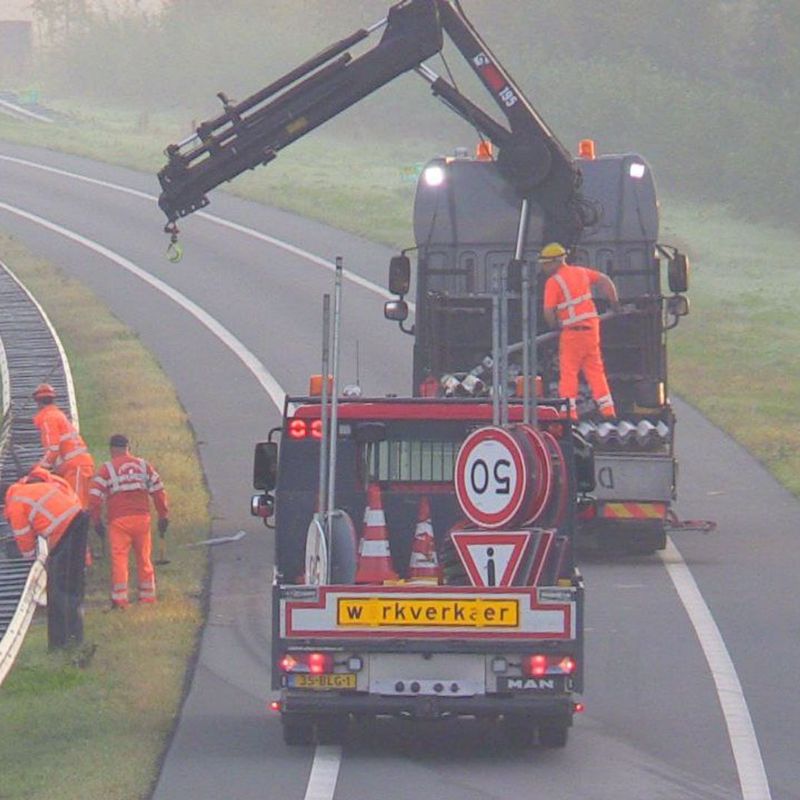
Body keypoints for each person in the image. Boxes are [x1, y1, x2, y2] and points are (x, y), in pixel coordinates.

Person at [4, 467, 89, 649]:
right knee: (71, 585)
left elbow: (23, 536)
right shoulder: (31, 487)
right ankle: (71, 639)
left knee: (60, 589)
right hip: (76, 519)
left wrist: (29, 559)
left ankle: (65, 643)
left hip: (65, 530)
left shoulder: (15, 501)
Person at [89, 434, 169, 608]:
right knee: (144, 557)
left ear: (111, 450)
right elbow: (159, 491)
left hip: (119, 521)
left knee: (119, 559)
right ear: (128, 448)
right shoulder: (143, 466)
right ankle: (147, 597)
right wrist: (163, 516)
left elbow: (94, 499)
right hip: (142, 519)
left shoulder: (106, 469)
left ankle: (120, 599)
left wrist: (96, 522)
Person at [540, 242, 619, 419]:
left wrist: (554, 326)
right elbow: (605, 280)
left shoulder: (553, 282)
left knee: (569, 372)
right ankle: (608, 410)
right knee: (595, 371)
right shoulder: (582, 272)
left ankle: (569, 413)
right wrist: (614, 304)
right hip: (592, 330)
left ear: (555, 262)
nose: (543, 267)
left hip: (572, 333)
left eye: (545, 263)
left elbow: (548, 312)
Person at [31, 383, 95, 509]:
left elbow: (53, 450)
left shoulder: (48, 418)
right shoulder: (57, 415)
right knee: (78, 505)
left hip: (75, 467)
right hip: (78, 466)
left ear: (38, 402)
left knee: (75, 507)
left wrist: (37, 470)